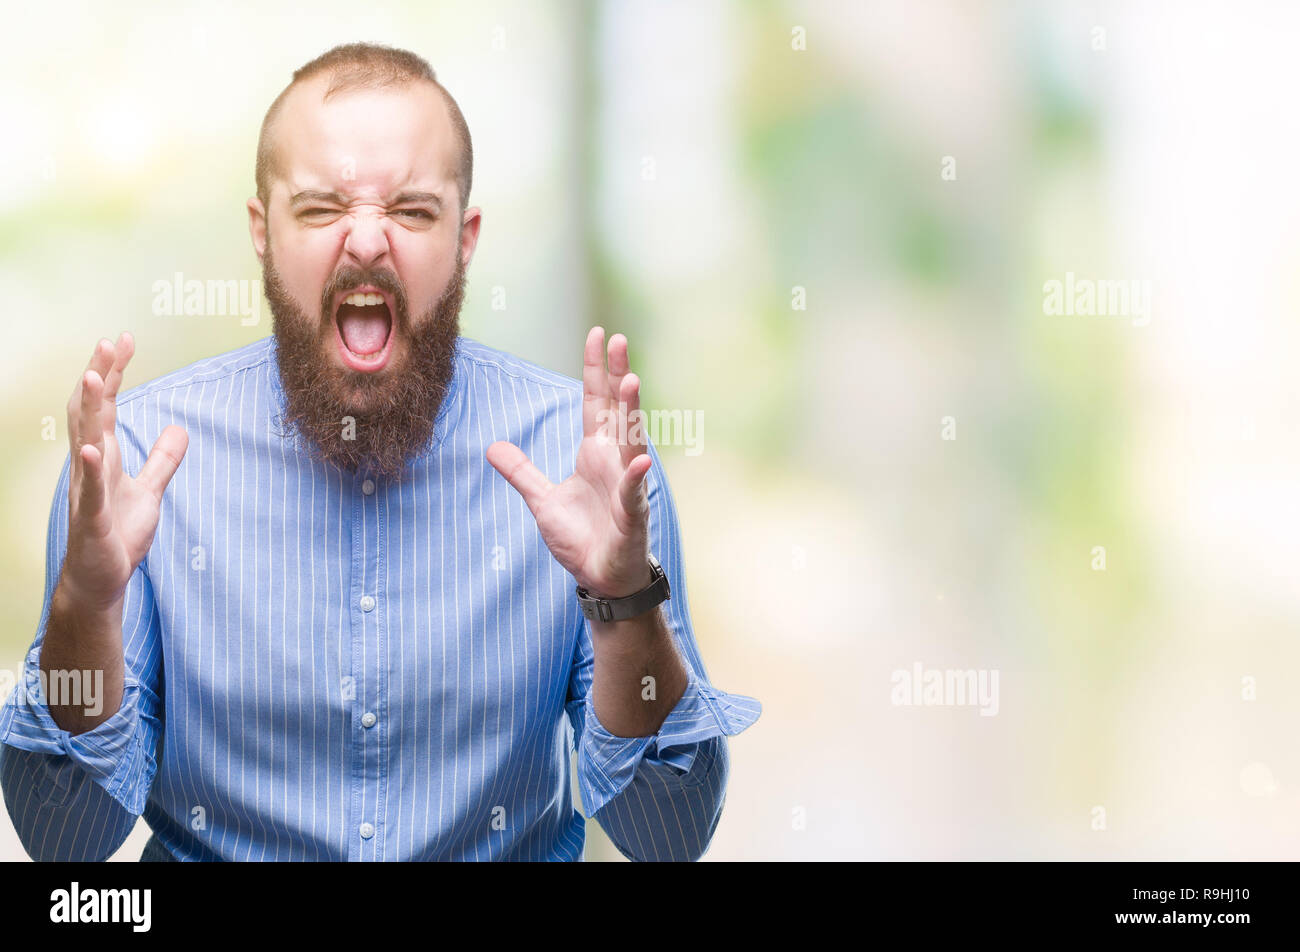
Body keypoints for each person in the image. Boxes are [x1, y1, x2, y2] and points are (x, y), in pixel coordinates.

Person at [0, 43, 759, 861]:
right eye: (321, 209)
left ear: (465, 239)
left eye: (413, 211)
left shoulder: (588, 464)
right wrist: (85, 604)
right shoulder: (133, 465)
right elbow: (64, 839)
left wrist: (625, 604)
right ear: (262, 232)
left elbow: (666, 834)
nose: (366, 242)